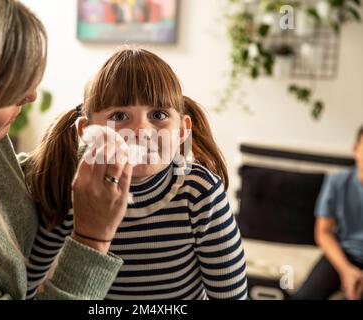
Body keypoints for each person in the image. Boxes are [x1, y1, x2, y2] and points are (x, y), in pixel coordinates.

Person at [0, 0, 132, 299]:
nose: (30, 96)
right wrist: (92, 239)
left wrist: (69, 159)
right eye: (13, 90)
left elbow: (4, 187)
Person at [25, 48, 249, 300]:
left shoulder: (199, 192)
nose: (141, 130)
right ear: (87, 132)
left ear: (183, 130)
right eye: (119, 116)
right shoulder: (73, 190)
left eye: (158, 115)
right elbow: (24, 288)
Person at [294, 125, 363, 300]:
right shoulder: (337, 182)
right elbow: (323, 232)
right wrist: (346, 270)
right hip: (343, 254)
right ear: (356, 150)